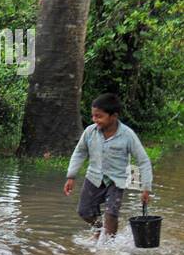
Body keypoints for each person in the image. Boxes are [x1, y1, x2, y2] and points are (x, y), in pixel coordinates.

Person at [64, 93, 153, 240]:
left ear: (114, 116)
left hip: (116, 181)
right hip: (94, 177)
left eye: (99, 116)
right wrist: (71, 176)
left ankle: (108, 247)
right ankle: (99, 229)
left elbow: (143, 161)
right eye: (93, 116)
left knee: (111, 214)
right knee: (84, 211)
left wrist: (145, 188)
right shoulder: (90, 132)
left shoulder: (127, 135)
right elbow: (79, 153)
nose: (95, 120)